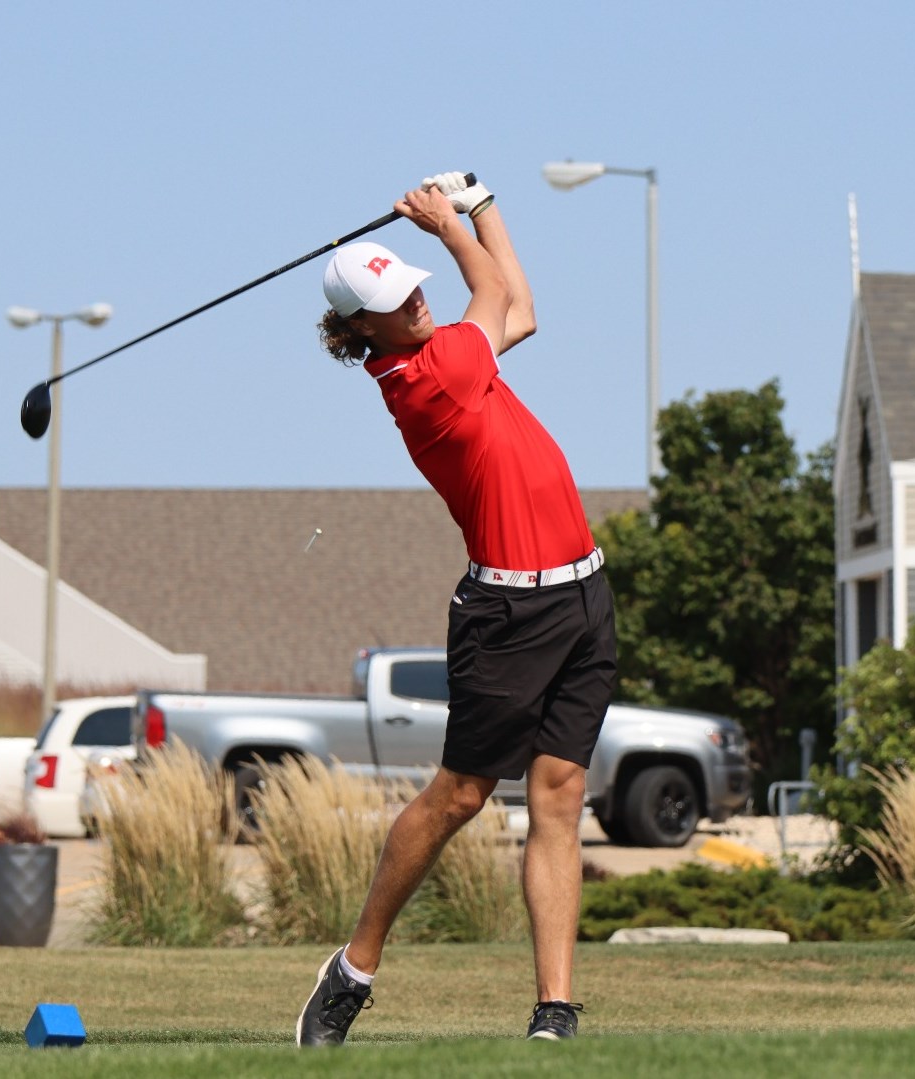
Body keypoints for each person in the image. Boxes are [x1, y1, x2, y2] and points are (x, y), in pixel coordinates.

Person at [297, 171, 616, 1046]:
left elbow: (522, 309)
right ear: (365, 327)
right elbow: (491, 290)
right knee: (460, 796)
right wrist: (451, 223)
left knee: (560, 793)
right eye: (399, 301)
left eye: (414, 290)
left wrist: (481, 204)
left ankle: (554, 1011)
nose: (418, 304)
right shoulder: (424, 377)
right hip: (509, 616)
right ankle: (353, 970)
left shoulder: (452, 349)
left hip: (584, 594)